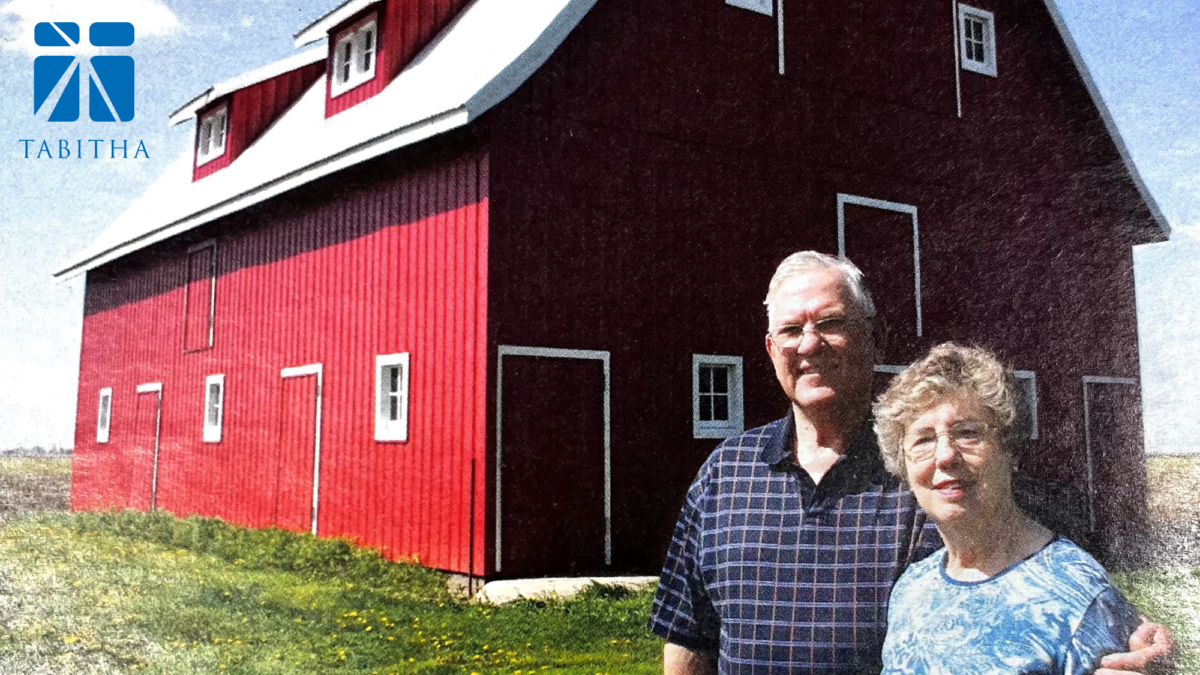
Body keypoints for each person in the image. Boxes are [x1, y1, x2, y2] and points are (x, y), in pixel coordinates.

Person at [648, 251, 1172, 675]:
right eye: (791, 330)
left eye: (830, 323)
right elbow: (690, 636)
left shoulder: (925, 471)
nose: (809, 344)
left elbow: (1037, 573)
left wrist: (1137, 641)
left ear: (871, 339)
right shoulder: (725, 473)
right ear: (770, 347)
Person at [874, 343, 1140, 674]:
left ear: (1009, 450)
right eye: (923, 440)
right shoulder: (912, 588)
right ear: (903, 466)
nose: (944, 456)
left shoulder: (1079, 597)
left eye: (967, 433)